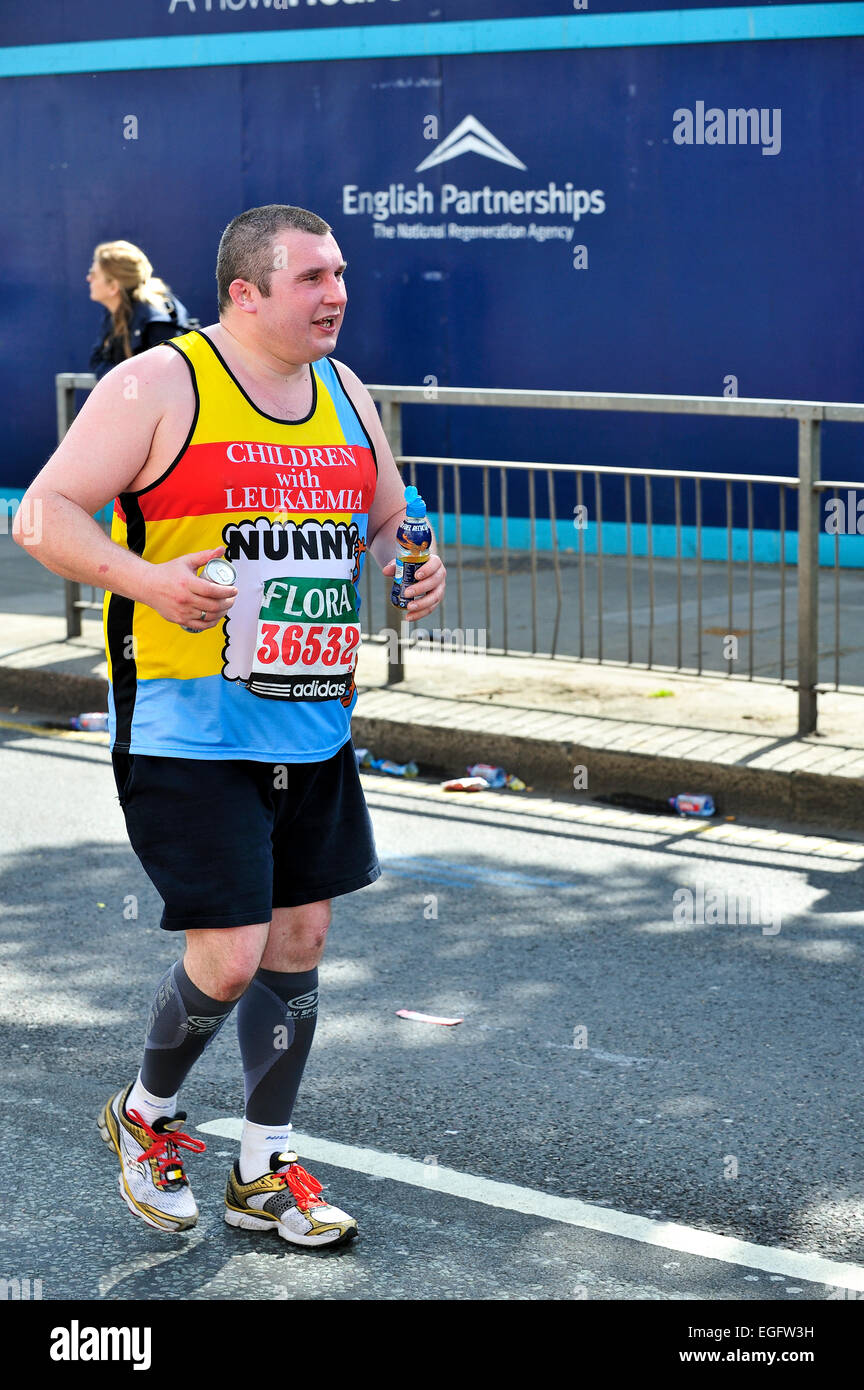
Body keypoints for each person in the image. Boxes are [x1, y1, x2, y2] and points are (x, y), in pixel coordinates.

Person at [16, 204, 446, 1247]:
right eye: (311, 277)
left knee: (301, 937)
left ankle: (264, 1162)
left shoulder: (346, 391)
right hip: (184, 721)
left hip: (311, 718)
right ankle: (146, 1112)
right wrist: (147, 580)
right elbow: (43, 513)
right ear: (245, 293)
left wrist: (410, 562)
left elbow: (390, 510)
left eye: (340, 273)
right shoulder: (162, 383)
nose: (336, 292)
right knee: (234, 951)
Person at [87, 240, 194, 380]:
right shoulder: (113, 312)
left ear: (113, 287)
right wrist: (121, 380)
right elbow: (97, 361)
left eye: (94, 275)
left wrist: (122, 380)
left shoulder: (156, 321)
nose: (88, 279)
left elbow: (170, 376)